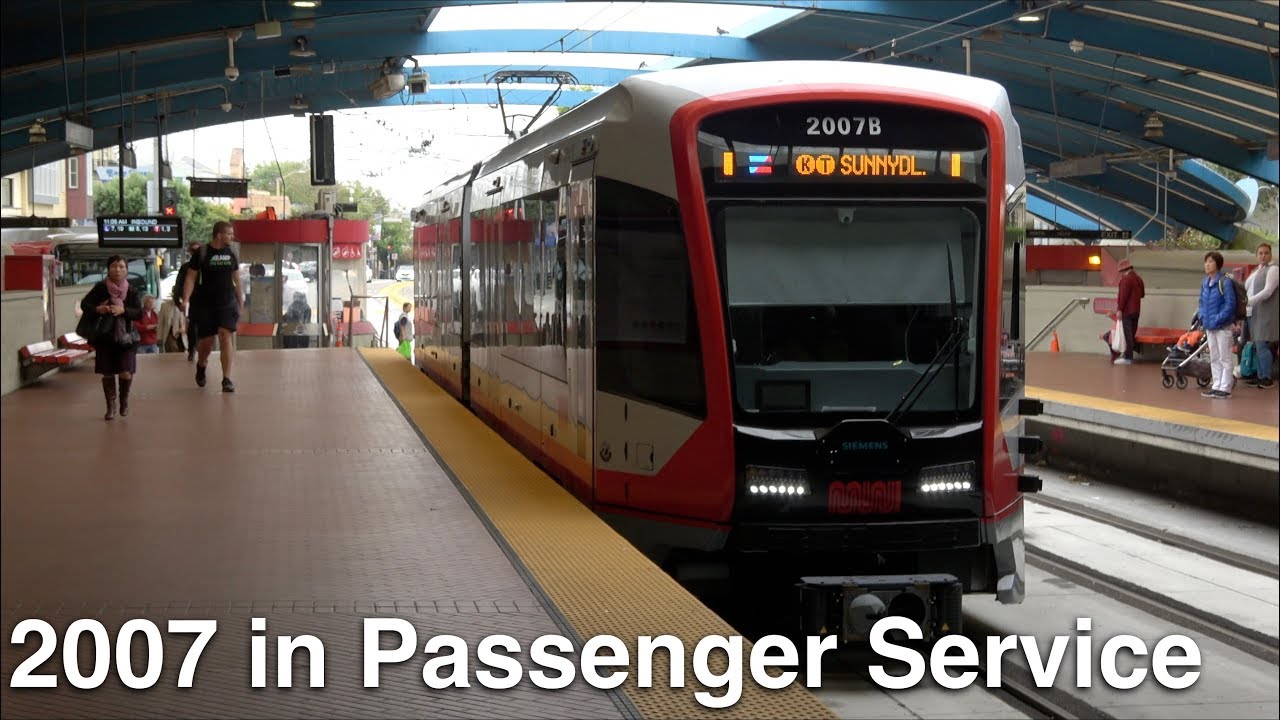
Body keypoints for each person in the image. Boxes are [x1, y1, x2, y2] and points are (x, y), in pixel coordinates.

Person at [180, 221, 243, 392]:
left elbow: (237, 279)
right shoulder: (202, 253)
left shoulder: (232, 253)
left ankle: (227, 379)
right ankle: (201, 365)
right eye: (229, 233)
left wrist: (240, 301)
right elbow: (191, 278)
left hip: (227, 303)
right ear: (219, 235)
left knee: (225, 335)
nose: (232, 236)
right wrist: (185, 299)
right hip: (205, 304)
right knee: (207, 341)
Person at [79, 255, 143, 420]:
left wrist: (124, 311)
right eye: (114, 266)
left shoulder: (132, 290)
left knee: (126, 372)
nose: (118, 270)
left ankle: (124, 401)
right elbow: (85, 304)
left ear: (127, 270)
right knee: (107, 373)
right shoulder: (100, 288)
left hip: (126, 337)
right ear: (108, 269)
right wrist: (98, 309)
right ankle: (111, 407)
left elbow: (139, 313)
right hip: (105, 336)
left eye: (121, 266)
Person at [1197, 251, 1237, 398]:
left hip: (1222, 326)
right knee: (1214, 357)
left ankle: (1225, 388)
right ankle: (1216, 385)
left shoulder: (1224, 282)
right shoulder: (1205, 282)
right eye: (1206, 261)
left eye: (1211, 262)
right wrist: (1202, 316)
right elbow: (1201, 302)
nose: (1207, 265)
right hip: (1209, 326)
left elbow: (1230, 304)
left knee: (1225, 357)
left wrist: (1218, 318)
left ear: (1218, 265)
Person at [1244, 242, 1278, 389]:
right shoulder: (1255, 272)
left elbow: (1268, 290)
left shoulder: (1274, 269)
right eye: (1260, 253)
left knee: (1262, 344)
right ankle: (1260, 375)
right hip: (1253, 312)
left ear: (1271, 254)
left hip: (1265, 312)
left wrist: (1249, 301)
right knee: (1257, 345)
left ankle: (1267, 377)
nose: (1263, 256)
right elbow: (1247, 288)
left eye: (1266, 253)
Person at [173, 242, 202, 360]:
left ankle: (201, 348)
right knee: (193, 325)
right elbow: (179, 284)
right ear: (190, 252)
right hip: (191, 300)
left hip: (205, 300)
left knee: (204, 326)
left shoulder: (206, 265)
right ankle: (192, 349)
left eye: (198, 250)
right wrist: (178, 301)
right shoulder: (185, 267)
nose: (195, 253)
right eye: (193, 250)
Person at [1113, 258, 1144, 365]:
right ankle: (1128, 356)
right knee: (1132, 333)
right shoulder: (1138, 279)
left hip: (1127, 311)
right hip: (1136, 311)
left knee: (1127, 335)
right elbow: (1142, 294)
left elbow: (1122, 297)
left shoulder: (1125, 280)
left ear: (1123, 270)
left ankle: (1128, 357)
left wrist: (1120, 310)